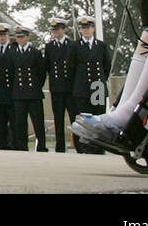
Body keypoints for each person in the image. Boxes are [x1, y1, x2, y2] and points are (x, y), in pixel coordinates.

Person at [68, 15, 111, 154]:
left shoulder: (101, 46)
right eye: (83, 28)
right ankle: (82, 146)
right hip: (81, 87)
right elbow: (70, 67)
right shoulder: (74, 46)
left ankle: (98, 146)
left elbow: (106, 66)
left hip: (97, 86)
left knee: (98, 117)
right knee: (83, 117)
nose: (85, 30)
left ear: (93, 29)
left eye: (88, 28)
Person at [10, 27, 48, 152]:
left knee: (38, 122)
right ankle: (22, 146)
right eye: (18, 37)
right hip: (19, 93)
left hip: (33, 93)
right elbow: (11, 74)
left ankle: (41, 145)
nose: (20, 39)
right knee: (20, 123)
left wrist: (36, 87)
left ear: (28, 37)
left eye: (22, 37)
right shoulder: (13, 53)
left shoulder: (35, 53)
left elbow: (41, 73)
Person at [43, 17, 75, 153]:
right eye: (53, 30)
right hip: (56, 88)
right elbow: (48, 66)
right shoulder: (50, 46)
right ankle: (60, 146)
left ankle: (78, 144)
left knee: (74, 118)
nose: (55, 32)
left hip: (70, 88)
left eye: (58, 29)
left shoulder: (72, 45)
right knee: (58, 118)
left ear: (64, 29)